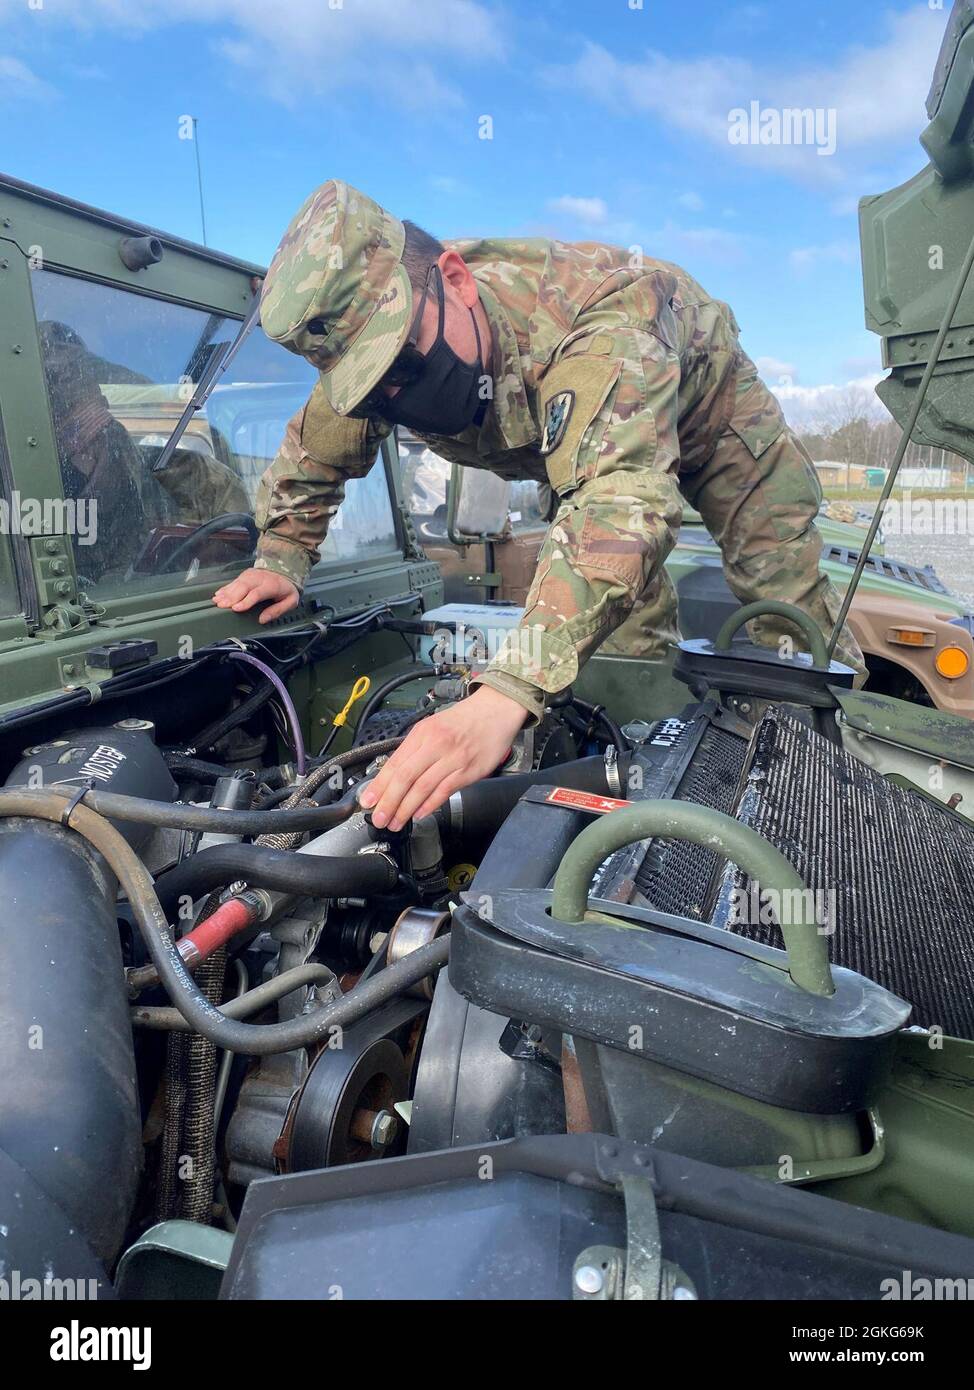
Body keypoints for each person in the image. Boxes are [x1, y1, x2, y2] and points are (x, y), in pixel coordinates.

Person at [213, 180, 864, 831]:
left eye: (402, 361)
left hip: (707, 408)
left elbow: (620, 506)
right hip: (583, 447)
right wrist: (283, 555)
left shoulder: (605, 318)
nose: (398, 393)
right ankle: (639, 764)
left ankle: (845, 801)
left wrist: (505, 694)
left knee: (787, 604)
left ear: (456, 281)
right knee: (617, 632)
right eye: (375, 388)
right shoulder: (375, 353)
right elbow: (314, 450)